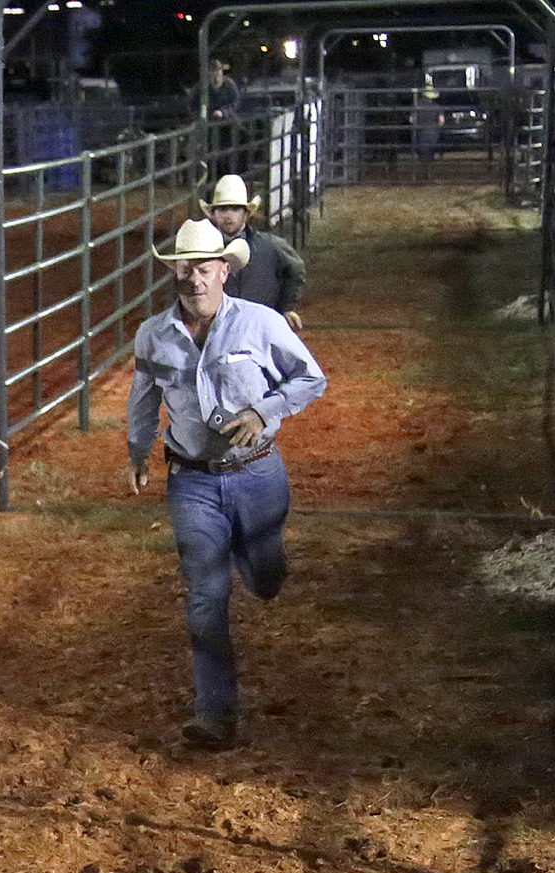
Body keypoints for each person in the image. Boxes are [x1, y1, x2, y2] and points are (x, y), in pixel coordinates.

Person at [124, 218, 327, 749]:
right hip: (191, 479)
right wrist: (138, 448)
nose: (194, 279)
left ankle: (264, 563)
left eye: (204, 268)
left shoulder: (261, 324)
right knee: (205, 598)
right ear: (174, 272)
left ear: (224, 271)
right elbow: (145, 397)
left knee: (264, 575)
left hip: (258, 470)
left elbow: (311, 377)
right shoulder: (153, 335)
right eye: (184, 268)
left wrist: (264, 410)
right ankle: (215, 714)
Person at [199, 174, 307, 329]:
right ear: (214, 214)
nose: (228, 215)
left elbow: (296, 269)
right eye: (223, 209)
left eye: (235, 209)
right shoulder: (204, 250)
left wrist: (286, 307)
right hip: (218, 328)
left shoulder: (270, 247)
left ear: (246, 213)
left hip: (260, 326)